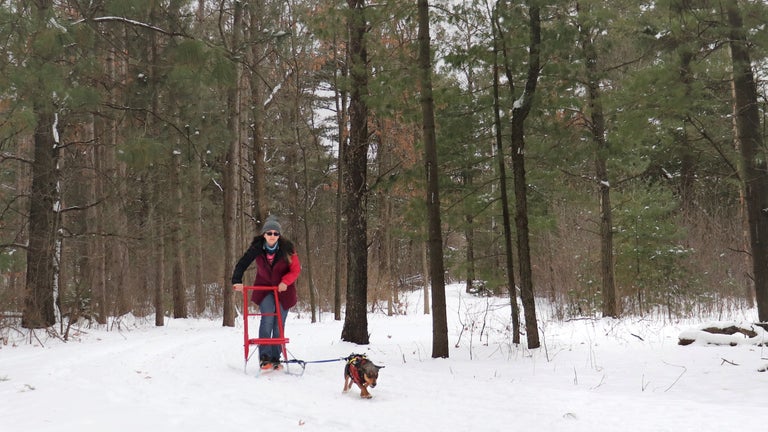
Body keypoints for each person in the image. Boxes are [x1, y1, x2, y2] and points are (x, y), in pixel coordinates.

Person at [232, 215, 301, 371]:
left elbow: (295, 269)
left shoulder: (287, 249)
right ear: (264, 234)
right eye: (269, 233)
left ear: (279, 235)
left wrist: (285, 282)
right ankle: (265, 358)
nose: (272, 236)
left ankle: (276, 358)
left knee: (279, 324)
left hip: (284, 290)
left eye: (276, 234)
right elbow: (242, 264)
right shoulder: (257, 248)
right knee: (268, 319)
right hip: (265, 289)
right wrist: (237, 281)